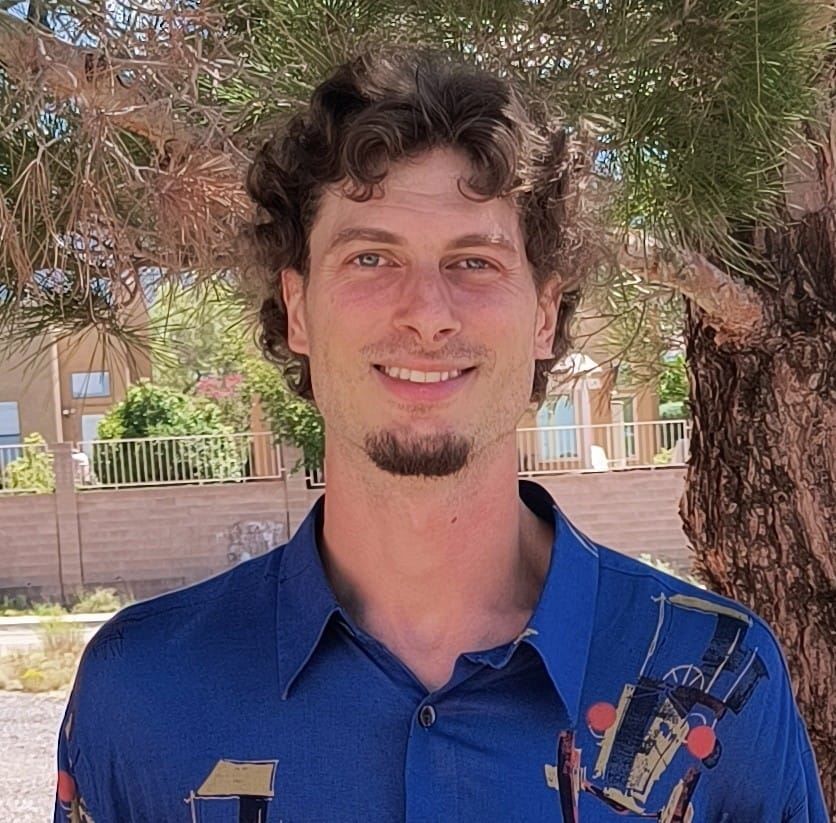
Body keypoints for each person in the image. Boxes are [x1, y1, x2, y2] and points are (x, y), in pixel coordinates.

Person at [54, 50, 827, 823]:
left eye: (475, 262)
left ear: (545, 315)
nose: (427, 311)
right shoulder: (141, 695)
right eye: (370, 256)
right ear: (297, 309)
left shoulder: (720, 688)